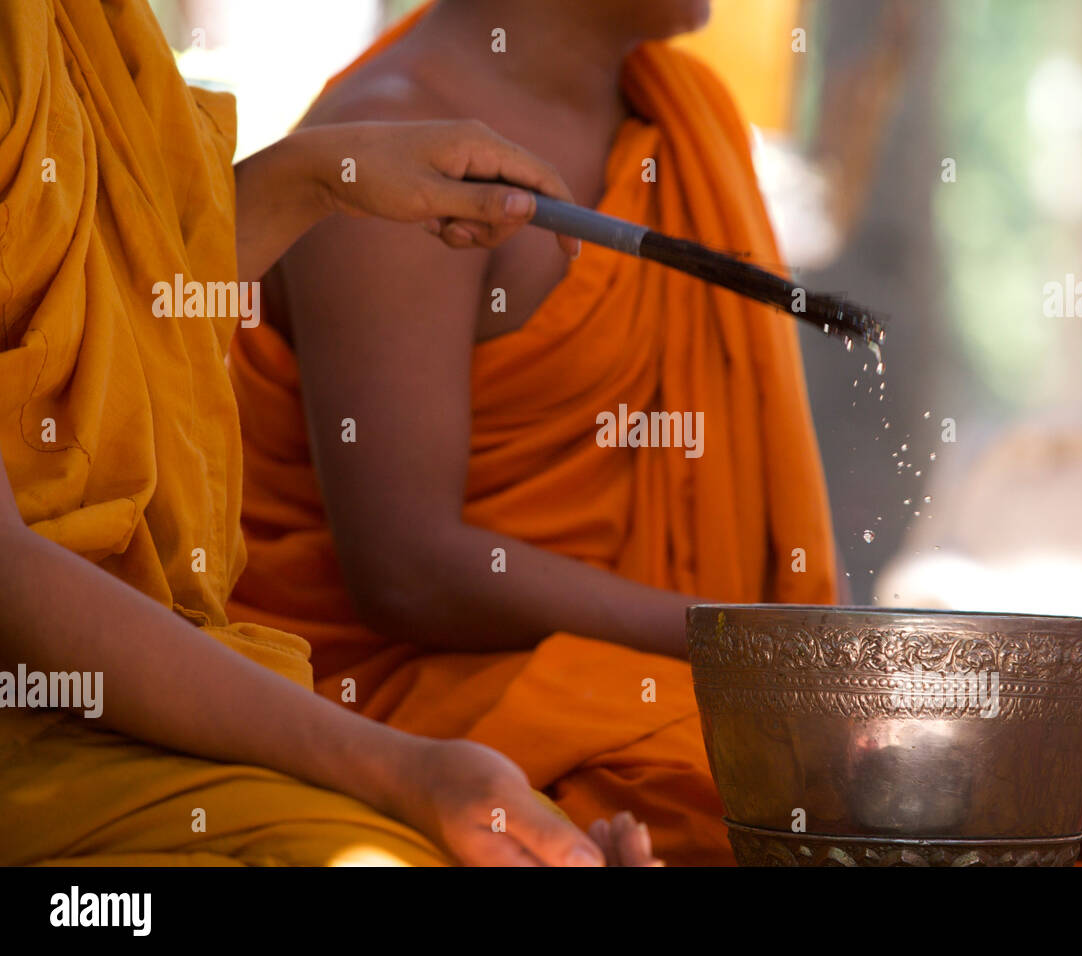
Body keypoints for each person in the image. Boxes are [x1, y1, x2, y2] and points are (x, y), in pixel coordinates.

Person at [0, 0, 656, 867]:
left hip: (146, 673)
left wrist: (315, 180)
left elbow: (106, 330)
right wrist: (399, 771)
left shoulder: (76, 22)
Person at [227, 0, 839, 865]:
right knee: (787, 790)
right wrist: (742, 641)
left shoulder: (683, 115)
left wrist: (805, 654)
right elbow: (405, 574)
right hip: (398, 704)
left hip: (638, 671)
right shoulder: (395, 145)